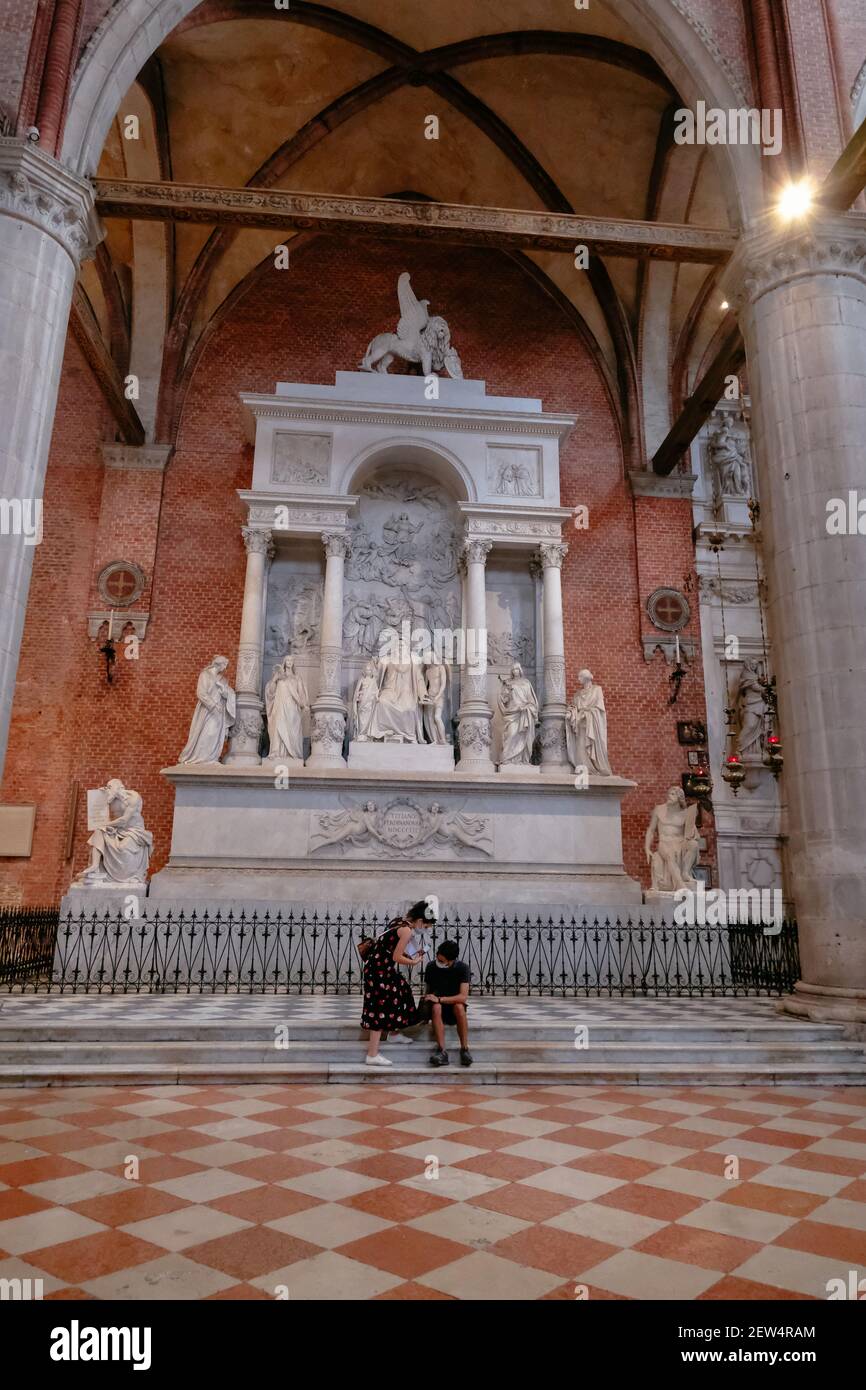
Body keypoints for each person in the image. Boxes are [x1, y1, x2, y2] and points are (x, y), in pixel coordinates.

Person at [361, 900, 433, 1067]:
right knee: (379, 1006)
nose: (426, 930)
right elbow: (396, 957)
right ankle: (372, 1054)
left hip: (379, 968)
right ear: (421, 921)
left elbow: (392, 948)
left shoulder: (399, 921)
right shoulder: (406, 930)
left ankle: (393, 1034)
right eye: (427, 926)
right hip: (379, 971)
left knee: (402, 991)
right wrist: (414, 962)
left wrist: (412, 954)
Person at [423, 939, 472, 1067]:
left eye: (442, 961)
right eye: (437, 959)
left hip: (453, 1005)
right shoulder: (431, 967)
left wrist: (440, 999)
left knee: (459, 1007)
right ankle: (441, 1051)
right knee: (436, 1007)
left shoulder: (462, 968)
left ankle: (465, 1049)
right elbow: (427, 992)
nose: (438, 962)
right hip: (437, 1008)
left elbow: (462, 997)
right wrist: (423, 1009)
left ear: (451, 960)